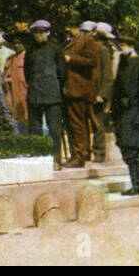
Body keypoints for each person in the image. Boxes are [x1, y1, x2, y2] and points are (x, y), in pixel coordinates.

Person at [111, 37, 139, 195]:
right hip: (124, 114)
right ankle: (136, 185)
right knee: (127, 151)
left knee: (132, 152)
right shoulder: (123, 64)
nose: (119, 49)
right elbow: (117, 89)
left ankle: (138, 186)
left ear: (131, 47)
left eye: (122, 46)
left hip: (136, 113)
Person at [23, 20, 66, 165]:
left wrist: (55, 88)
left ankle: (56, 159)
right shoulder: (30, 51)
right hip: (34, 94)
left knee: (54, 129)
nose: (39, 36)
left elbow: (62, 73)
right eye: (36, 33)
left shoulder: (56, 49)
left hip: (52, 95)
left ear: (48, 33)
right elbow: (27, 72)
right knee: (34, 128)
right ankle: (37, 158)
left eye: (42, 32)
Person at [62, 21, 101, 168]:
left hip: (79, 89)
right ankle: (82, 153)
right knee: (79, 124)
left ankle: (79, 156)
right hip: (76, 88)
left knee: (77, 124)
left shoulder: (87, 40)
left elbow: (92, 61)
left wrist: (70, 59)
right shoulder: (78, 40)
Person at [91, 22, 117, 162]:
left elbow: (108, 76)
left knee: (98, 125)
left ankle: (99, 153)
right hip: (93, 92)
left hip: (99, 93)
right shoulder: (100, 49)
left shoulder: (103, 50)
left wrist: (102, 94)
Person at [2, 31, 29, 133]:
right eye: (15, 43)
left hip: (26, 94)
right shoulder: (10, 60)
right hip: (13, 95)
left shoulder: (28, 58)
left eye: (19, 43)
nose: (17, 45)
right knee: (18, 123)